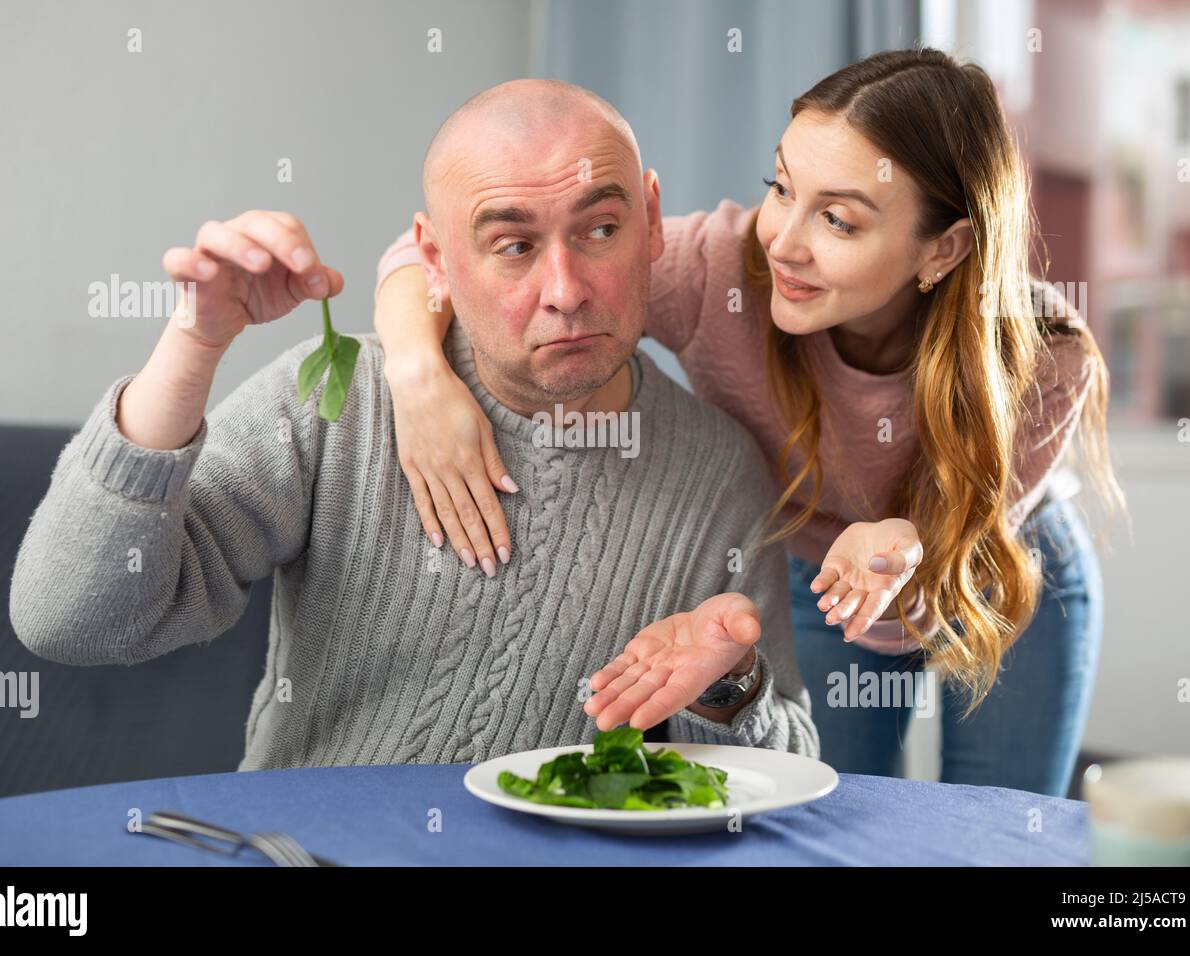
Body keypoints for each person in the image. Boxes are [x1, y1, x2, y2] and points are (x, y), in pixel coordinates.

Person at [369, 50, 1127, 795]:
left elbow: (907, 614)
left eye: (837, 219)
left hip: (992, 563)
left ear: (943, 249)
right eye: (782, 188)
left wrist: (904, 546)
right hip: (815, 562)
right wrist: (418, 379)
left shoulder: (1042, 362)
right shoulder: (719, 276)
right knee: (840, 813)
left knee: (999, 829)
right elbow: (428, 248)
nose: (783, 241)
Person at [8, 79, 825, 769]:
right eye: (513, 245)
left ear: (651, 220)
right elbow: (68, 621)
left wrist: (727, 687)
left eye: (601, 229)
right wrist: (193, 344)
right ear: (433, 258)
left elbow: (788, 763)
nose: (567, 289)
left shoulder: (721, 474)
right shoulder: (337, 403)